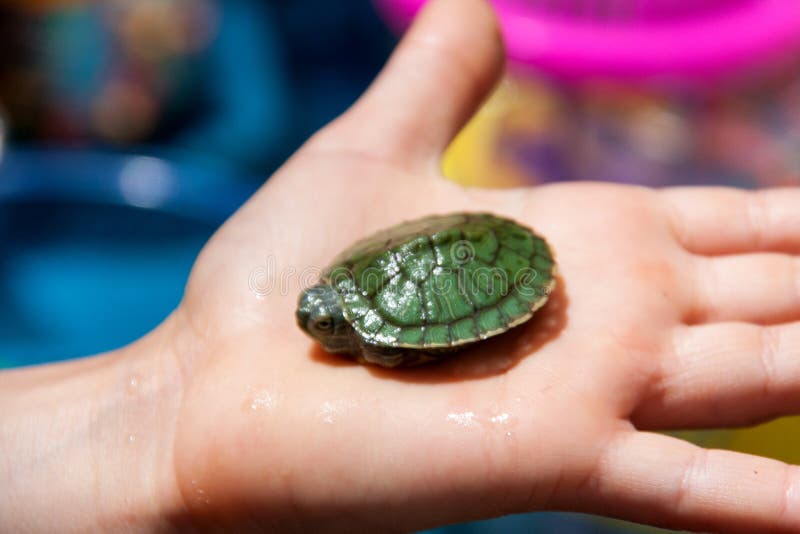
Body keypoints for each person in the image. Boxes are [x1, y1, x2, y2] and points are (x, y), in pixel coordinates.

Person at [2, 0, 799, 531]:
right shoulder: (344, 309)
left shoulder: (368, 326)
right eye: (318, 312)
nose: (315, 321)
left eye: (323, 314)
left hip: (484, 256)